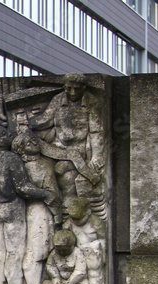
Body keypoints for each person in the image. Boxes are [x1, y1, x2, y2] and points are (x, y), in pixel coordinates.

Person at [0, 127, 57, 284]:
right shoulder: (11, 158)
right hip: (12, 207)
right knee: (14, 251)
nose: (11, 135)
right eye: (6, 134)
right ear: (0, 141)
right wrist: (45, 194)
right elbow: (22, 187)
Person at [29, 73, 105, 216]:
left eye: (77, 88)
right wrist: (29, 123)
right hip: (59, 147)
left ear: (83, 88)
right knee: (47, 169)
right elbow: (46, 119)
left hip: (81, 149)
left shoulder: (91, 101)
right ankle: (61, 207)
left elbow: (96, 131)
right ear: (64, 87)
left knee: (63, 170)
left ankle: (70, 208)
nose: (73, 92)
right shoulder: (58, 99)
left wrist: (96, 155)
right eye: (69, 88)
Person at [11, 130, 62, 284]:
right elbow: (51, 193)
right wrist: (57, 214)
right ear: (21, 150)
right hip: (39, 211)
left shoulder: (41, 163)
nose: (34, 143)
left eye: (34, 140)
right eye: (28, 143)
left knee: (38, 250)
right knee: (36, 252)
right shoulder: (36, 166)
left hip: (38, 211)